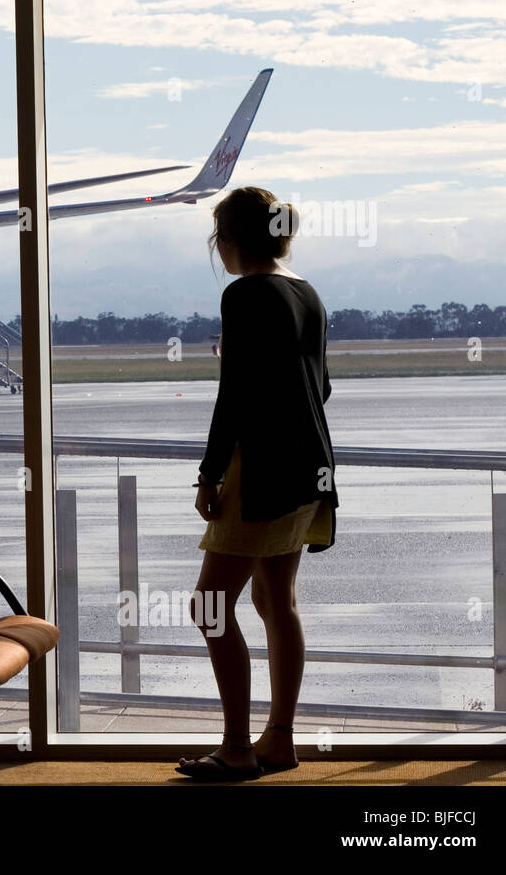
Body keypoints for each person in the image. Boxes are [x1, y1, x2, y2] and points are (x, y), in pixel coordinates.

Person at [175, 186, 339, 782]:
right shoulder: (307, 292)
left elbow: (235, 397)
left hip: (261, 467)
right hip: (309, 463)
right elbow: (321, 386)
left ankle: (237, 746)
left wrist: (210, 472)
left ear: (230, 239)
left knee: (210, 605)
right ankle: (279, 739)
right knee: (276, 602)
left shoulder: (244, 293)